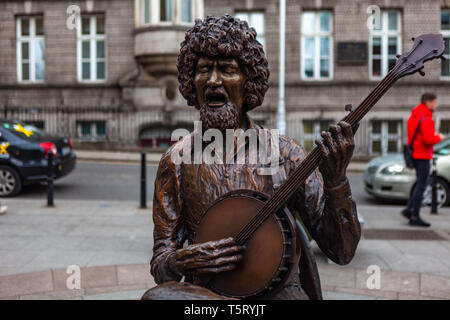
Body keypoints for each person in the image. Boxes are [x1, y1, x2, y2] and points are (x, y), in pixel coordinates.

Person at [143, 15, 361, 300]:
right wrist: (180, 262)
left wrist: (336, 182)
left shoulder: (285, 154)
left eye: (227, 69)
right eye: (204, 69)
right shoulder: (176, 161)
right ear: (190, 81)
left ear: (248, 81)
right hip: (209, 298)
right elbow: (161, 264)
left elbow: (341, 251)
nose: (213, 80)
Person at [402, 93, 446, 227]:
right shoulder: (426, 118)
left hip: (415, 154)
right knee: (421, 186)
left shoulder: (413, 116)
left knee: (420, 183)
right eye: (435, 102)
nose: (436, 105)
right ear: (428, 102)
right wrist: (439, 137)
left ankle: (409, 210)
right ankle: (414, 216)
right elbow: (428, 140)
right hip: (423, 156)